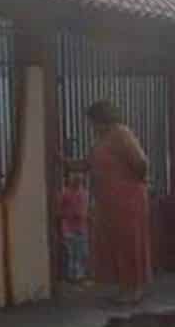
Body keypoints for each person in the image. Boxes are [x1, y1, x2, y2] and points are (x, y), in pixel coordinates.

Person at [65, 101, 150, 300]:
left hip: (127, 199)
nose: (92, 127)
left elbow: (141, 162)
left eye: (93, 122)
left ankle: (134, 288)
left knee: (129, 242)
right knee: (118, 243)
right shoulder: (102, 139)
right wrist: (64, 162)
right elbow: (87, 164)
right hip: (110, 201)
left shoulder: (121, 134)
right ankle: (125, 286)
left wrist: (135, 181)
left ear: (101, 119)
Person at [58, 171, 89, 283]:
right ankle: (71, 277)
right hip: (69, 228)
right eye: (75, 177)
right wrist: (69, 215)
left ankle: (79, 276)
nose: (77, 179)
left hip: (81, 227)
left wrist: (83, 215)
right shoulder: (65, 193)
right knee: (70, 253)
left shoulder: (84, 193)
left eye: (79, 177)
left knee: (81, 253)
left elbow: (86, 209)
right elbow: (59, 209)